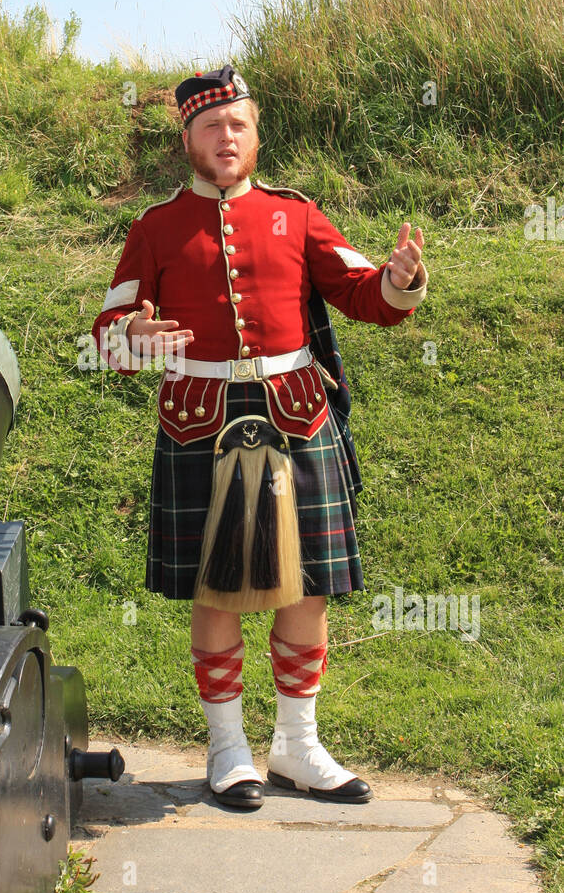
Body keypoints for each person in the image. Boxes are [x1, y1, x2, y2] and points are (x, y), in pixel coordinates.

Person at [91, 65, 427, 809]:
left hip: (296, 413)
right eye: (211, 127)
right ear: (188, 140)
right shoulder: (155, 227)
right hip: (199, 420)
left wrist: (401, 280)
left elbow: (364, 293)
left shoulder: (296, 214)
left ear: (256, 135)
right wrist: (133, 336)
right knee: (214, 590)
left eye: (238, 125)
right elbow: (109, 332)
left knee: (309, 585)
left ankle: (297, 748)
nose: (226, 137)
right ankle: (228, 750)